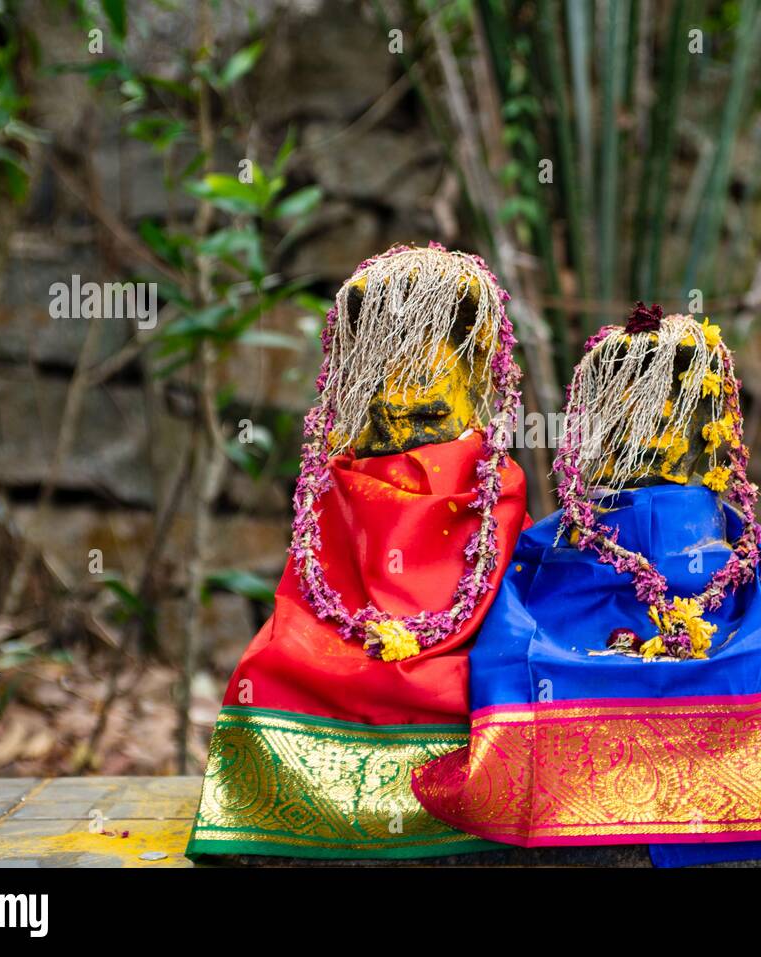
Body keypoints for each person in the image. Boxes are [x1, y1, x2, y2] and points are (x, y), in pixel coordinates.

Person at [413, 303, 761, 866]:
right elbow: (519, 614)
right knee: (522, 662)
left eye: (670, 408)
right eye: (627, 408)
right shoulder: (560, 540)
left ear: (700, 421)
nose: (648, 428)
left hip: (694, 569)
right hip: (593, 587)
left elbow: (755, 598)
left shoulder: (730, 534)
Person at [186, 244, 529, 861]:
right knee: (266, 677)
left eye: (427, 412)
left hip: (462, 620)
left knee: (511, 679)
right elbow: (316, 578)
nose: (405, 417)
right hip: (353, 604)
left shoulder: (490, 479)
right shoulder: (339, 472)